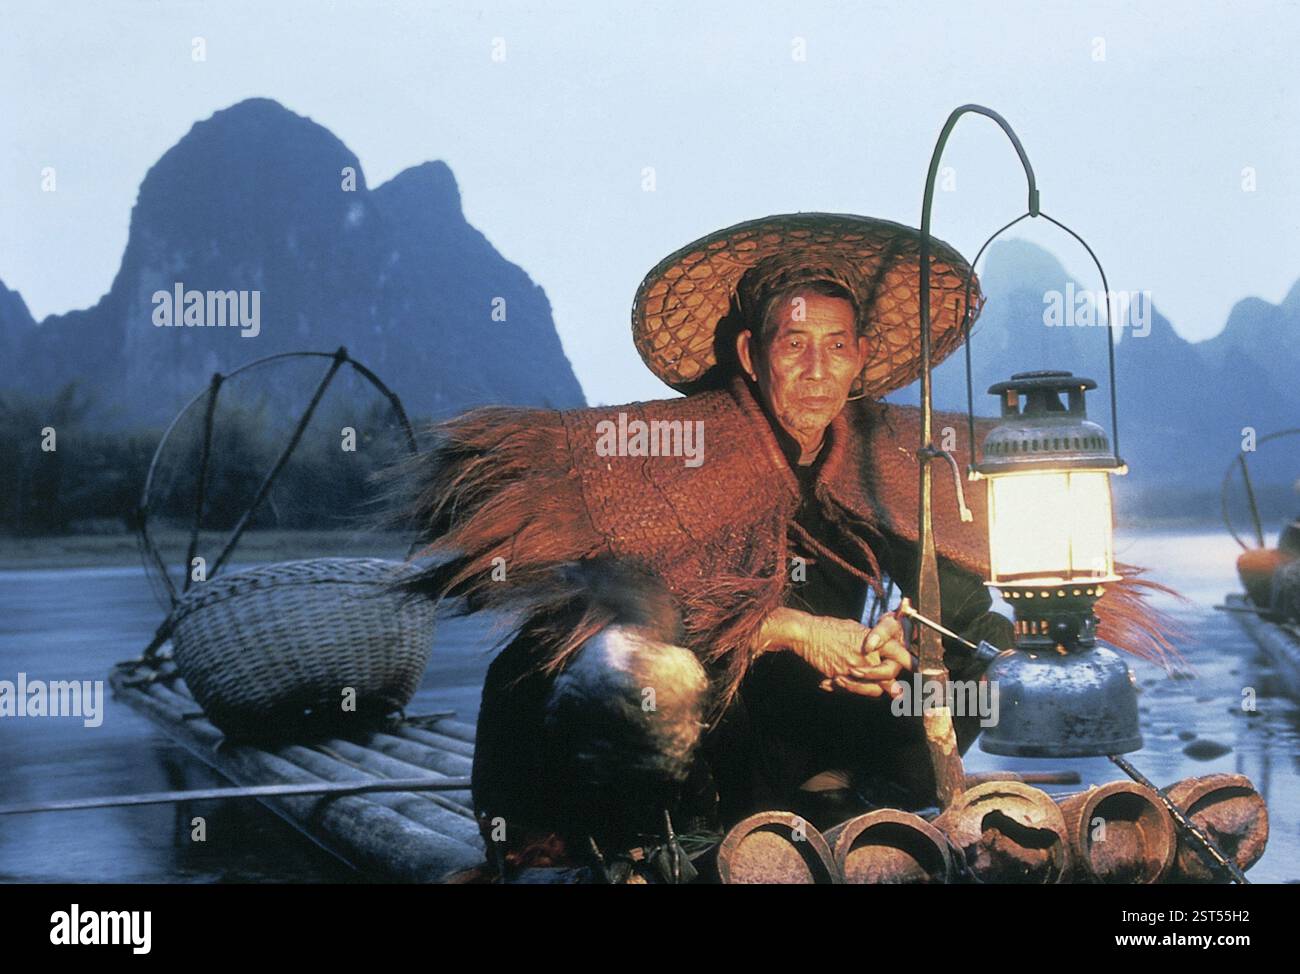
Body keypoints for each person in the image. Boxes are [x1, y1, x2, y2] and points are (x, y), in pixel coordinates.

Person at [398, 213, 1170, 878]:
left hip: (826, 738)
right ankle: (646, 849)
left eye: (837, 347)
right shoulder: (674, 453)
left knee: (976, 655)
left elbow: (959, 594)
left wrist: (912, 637)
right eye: (793, 343)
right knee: (628, 666)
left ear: (862, 356)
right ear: (749, 354)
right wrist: (793, 633)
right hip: (708, 743)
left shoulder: (887, 455)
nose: (816, 370)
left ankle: (864, 806)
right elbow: (601, 605)